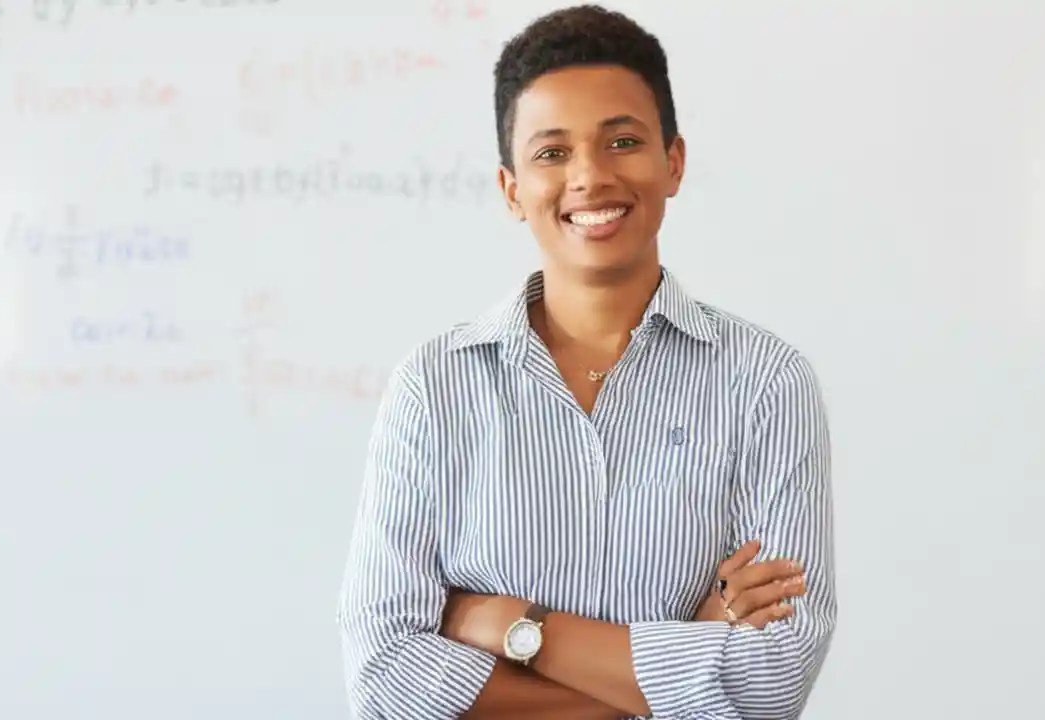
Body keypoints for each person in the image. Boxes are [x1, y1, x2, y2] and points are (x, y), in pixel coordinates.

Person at [336, 4, 836, 719]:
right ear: (512, 189)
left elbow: (771, 682)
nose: (590, 177)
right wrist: (688, 654)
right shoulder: (436, 385)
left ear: (674, 161)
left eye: (622, 140)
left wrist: (510, 628)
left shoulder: (765, 382)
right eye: (551, 153)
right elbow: (385, 681)